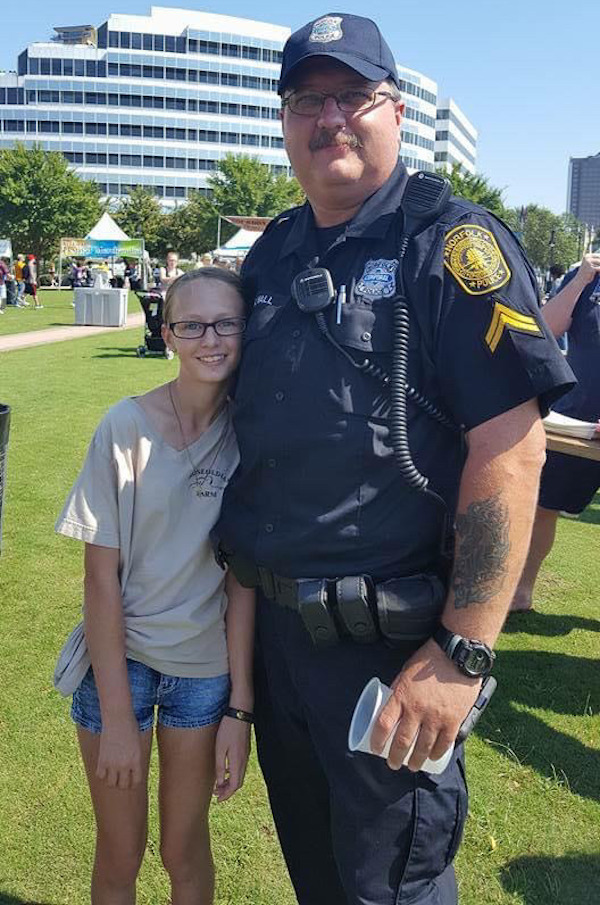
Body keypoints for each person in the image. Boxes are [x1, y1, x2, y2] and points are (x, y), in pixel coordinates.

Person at [215, 13, 574, 905]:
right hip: (279, 649)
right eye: (307, 101)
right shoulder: (271, 253)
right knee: (321, 883)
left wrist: (464, 650)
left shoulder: (453, 244)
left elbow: (511, 443)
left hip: (394, 655)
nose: (329, 118)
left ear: (396, 110)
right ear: (285, 122)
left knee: (392, 890)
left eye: (352, 97)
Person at [54, 267, 255, 904]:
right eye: (192, 325)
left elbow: (245, 582)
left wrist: (239, 710)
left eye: (227, 323)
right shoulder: (124, 427)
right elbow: (100, 578)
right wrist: (117, 720)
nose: (211, 339)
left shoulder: (254, 439)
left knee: (184, 849)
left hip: (203, 674)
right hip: (122, 668)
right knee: (121, 852)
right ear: (167, 334)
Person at [511, 252, 600, 612]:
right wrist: (580, 280)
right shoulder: (587, 277)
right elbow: (545, 330)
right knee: (544, 505)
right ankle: (521, 591)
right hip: (576, 419)